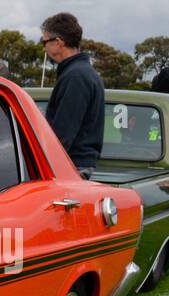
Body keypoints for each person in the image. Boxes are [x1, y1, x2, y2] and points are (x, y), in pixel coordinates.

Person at [41, 13, 103, 180]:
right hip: (76, 164)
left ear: (58, 42)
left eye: (44, 42)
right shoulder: (83, 72)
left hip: (71, 166)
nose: (44, 48)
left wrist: (40, 163)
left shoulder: (76, 76)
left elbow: (63, 132)